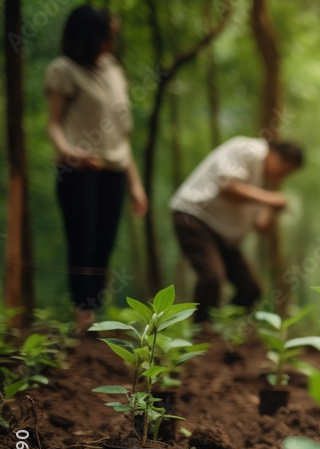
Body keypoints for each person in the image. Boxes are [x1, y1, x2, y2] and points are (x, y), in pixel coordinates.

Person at [45, 5, 148, 333]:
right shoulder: (64, 70)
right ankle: (83, 318)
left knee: (105, 243)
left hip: (115, 170)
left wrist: (135, 184)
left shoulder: (114, 70)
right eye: (106, 37)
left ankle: (95, 314)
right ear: (88, 38)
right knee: (82, 242)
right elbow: (54, 124)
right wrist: (69, 153)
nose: (111, 43)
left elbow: (122, 134)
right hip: (79, 171)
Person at [171, 137, 304, 321]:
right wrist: (270, 198)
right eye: (284, 171)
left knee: (250, 289)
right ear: (275, 156)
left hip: (224, 236)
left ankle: (223, 330)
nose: (281, 177)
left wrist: (272, 209)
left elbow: (261, 226)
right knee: (212, 278)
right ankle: (200, 333)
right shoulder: (247, 150)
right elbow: (228, 187)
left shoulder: (264, 183)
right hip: (194, 217)